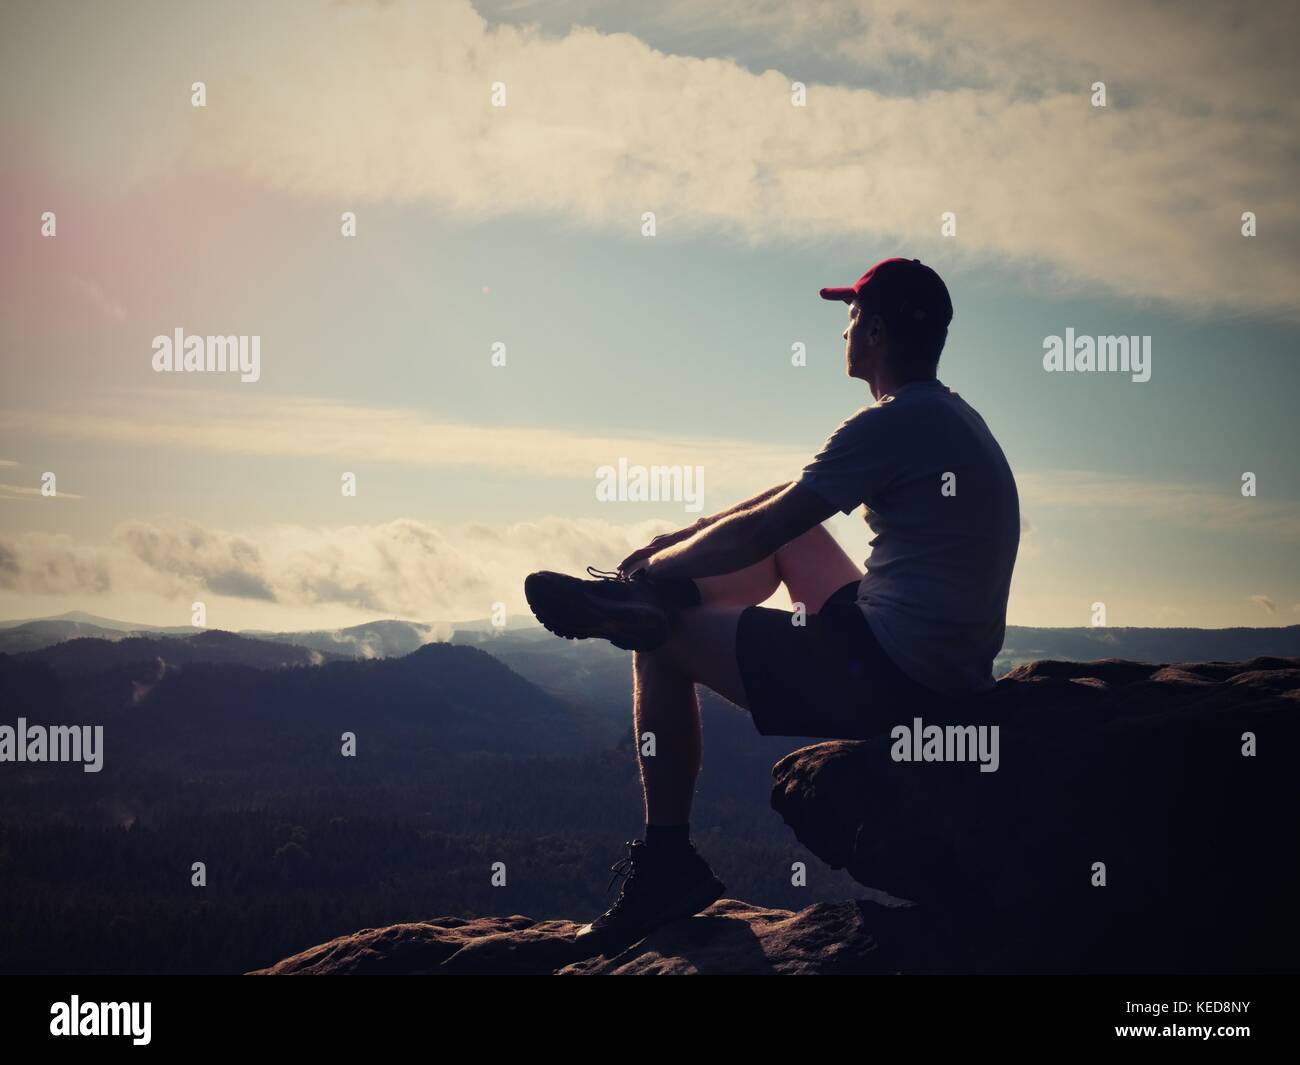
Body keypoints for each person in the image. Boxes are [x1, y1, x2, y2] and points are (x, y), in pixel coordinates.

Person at [525, 257, 1020, 953]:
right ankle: (643, 599)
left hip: (892, 676)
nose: (844, 328)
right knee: (800, 536)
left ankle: (667, 860)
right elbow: (790, 506)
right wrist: (683, 541)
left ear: (874, 330)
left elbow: (764, 528)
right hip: (936, 664)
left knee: (661, 645)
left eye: (850, 316)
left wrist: (658, 562)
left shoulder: (890, 425)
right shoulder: (941, 416)